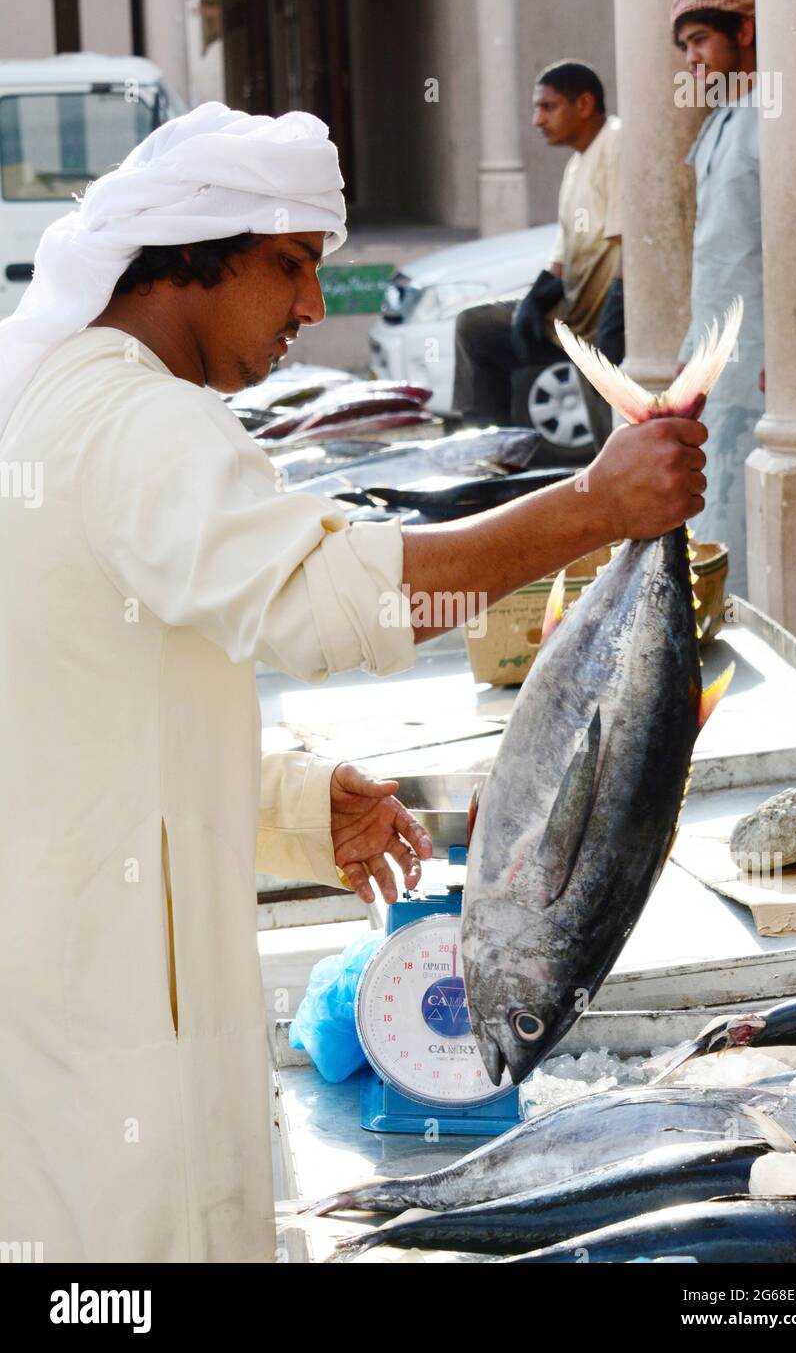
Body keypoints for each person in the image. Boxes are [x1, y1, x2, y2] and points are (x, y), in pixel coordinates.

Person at [0, 102, 707, 1264]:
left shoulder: (71, 404)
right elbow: (346, 605)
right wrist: (594, 507)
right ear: (188, 256)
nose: (312, 309)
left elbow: (73, 718)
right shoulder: (139, 423)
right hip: (110, 1032)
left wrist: (283, 803)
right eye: (289, 267)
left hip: (81, 992)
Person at [453, 61, 622, 443]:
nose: (537, 120)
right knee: (475, 328)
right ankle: (489, 453)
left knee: (610, 447)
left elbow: (629, 243)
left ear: (584, 104)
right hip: (571, 319)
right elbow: (560, 263)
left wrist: (615, 322)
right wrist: (534, 301)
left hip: (604, 330)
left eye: (548, 107)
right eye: (536, 109)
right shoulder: (576, 166)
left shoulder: (615, 141)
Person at [672, 0, 764, 599]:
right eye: (685, 47)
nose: (692, 59)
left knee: (744, 523)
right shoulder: (722, 119)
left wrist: (792, 351)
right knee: (711, 515)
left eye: (701, 40)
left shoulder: (772, 118)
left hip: (759, 357)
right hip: (714, 356)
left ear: (746, 32)